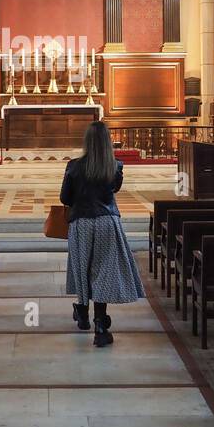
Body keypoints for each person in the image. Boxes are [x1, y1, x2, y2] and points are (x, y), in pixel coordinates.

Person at [59, 121, 146, 347]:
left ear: (86, 141)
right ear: (108, 141)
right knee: (103, 272)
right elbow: (113, 191)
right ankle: (100, 326)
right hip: (107, 222)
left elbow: (65, 199)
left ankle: (82, 313)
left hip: (82, 223)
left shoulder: (74, 166)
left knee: (82, 268)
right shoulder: (115, 166)